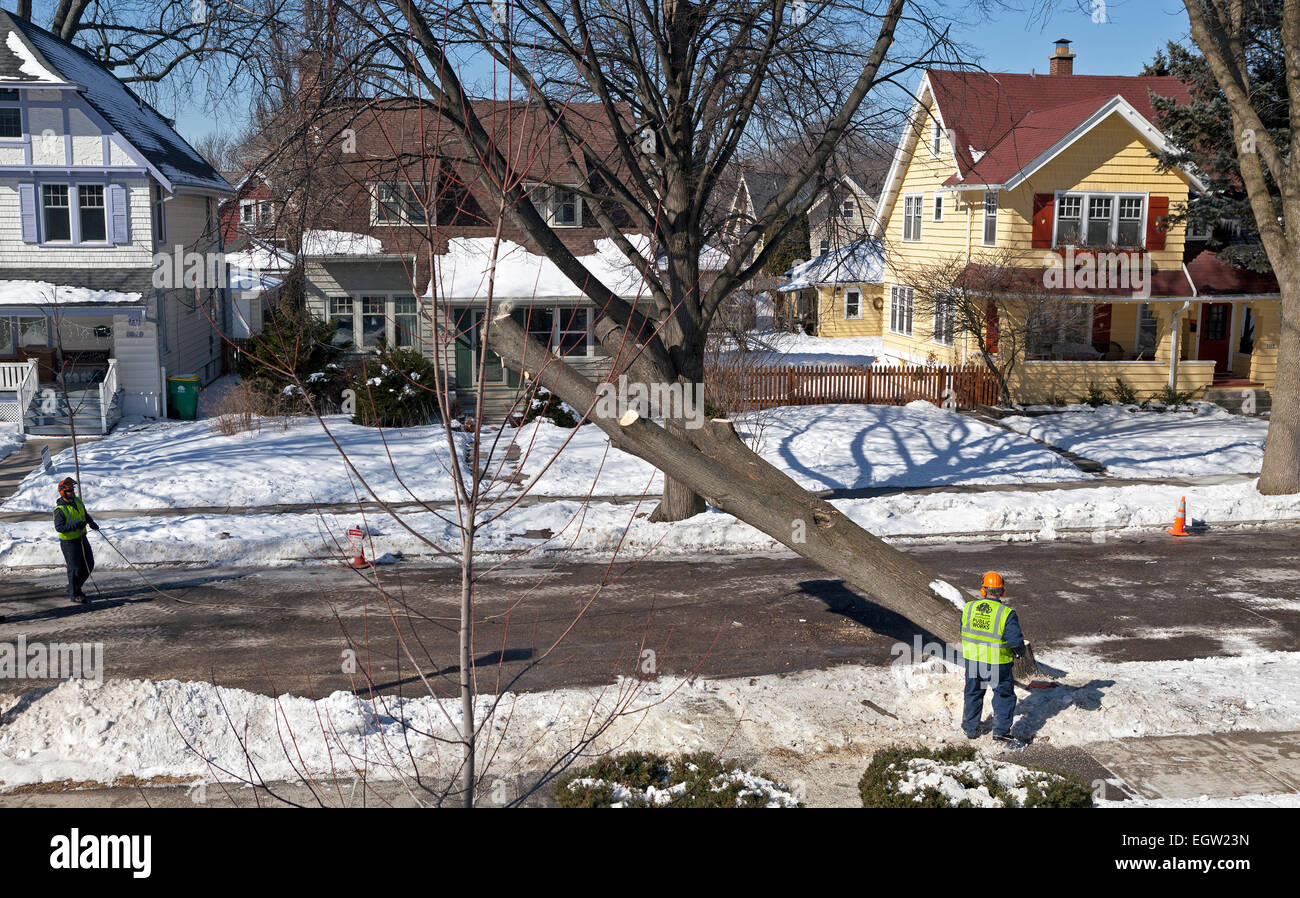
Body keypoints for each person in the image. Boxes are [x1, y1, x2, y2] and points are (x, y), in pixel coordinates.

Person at [960, 571, 1026, 745]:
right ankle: (1001, 732)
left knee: (973, 692)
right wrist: (1020, 651)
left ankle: (970, 728)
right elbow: (1014, 640)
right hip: (997, 663)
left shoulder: (969, 608)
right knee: (1003, 695)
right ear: (1002, 591)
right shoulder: (1006, 613)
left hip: (974, 660)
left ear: (983, 590)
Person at [53, 477, 99, 605]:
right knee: (74, 569)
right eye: (69, 491)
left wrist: (91, 522)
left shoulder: (78, 501)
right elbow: (59, 527)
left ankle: (74, 587)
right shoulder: (59, 510)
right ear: (63, 493)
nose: (72, 492)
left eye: (72, 490)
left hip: (82, 538)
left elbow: (84, 514)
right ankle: (75, 595)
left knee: (89, 564)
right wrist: (75, 526)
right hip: (69, 543)